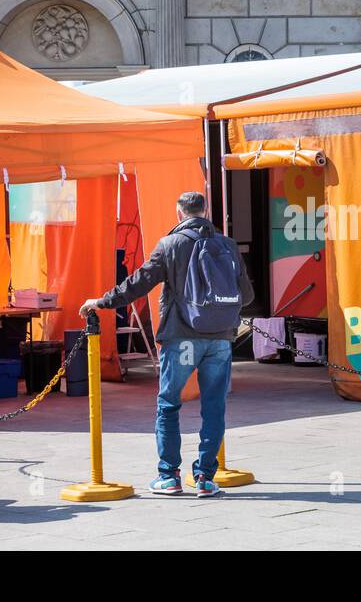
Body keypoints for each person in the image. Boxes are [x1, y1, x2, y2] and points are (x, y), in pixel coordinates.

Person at [80, 191, 253, 498]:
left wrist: (102, 302)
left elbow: (137, 283)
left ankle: (169, 476)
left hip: (181, 338)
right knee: (214, 407)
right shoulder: (226, 245)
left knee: (169, 404)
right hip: (221, 340)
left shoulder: (170, 245)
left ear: (178, 213)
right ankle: (204, 479)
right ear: (205, 210)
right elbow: (247, 295)